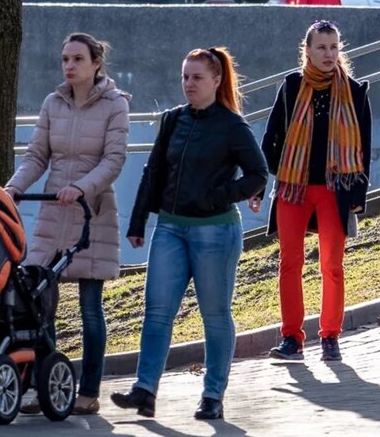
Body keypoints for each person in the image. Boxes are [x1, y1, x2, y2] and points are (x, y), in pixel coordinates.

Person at [111, 48, 268, 422]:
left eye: (197, 78)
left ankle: (213, 395)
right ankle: (145, 390)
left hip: (216, 231)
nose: (189, 84)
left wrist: (219, 195)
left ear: (216, 80)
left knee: (214, 315)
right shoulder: (172, 120)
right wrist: (137, 222)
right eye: (184, 77)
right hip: (169, 227)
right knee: (157, 311)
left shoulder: (232, 125)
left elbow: (258, 174)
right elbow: (153, 172)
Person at [6, 32, 130, 416]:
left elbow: (114, 159)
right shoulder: (52, 103)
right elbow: (36, 156)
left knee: (90, 307)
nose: (69, 65)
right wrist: (12, 188)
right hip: (52, 212)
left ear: (96, 63)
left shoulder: (115, 105)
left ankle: (88, 391)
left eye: (77, 58)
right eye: (65, 59)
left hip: (91, 213)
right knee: (38, 305)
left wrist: (81, 187)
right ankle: (46, 386)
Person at [261, 21, 372, 362]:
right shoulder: (292, 85)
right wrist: (282, 173)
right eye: (321, 47)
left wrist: (357, 197)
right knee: (289, 263)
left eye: (334, 47)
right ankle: (292, 337)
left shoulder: (353, 90)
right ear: (307, 50)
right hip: (293, 190)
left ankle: (330, 337)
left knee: (332, 265)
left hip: (334, 191)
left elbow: (365, 148)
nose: (328, 54)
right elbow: (271, 140)